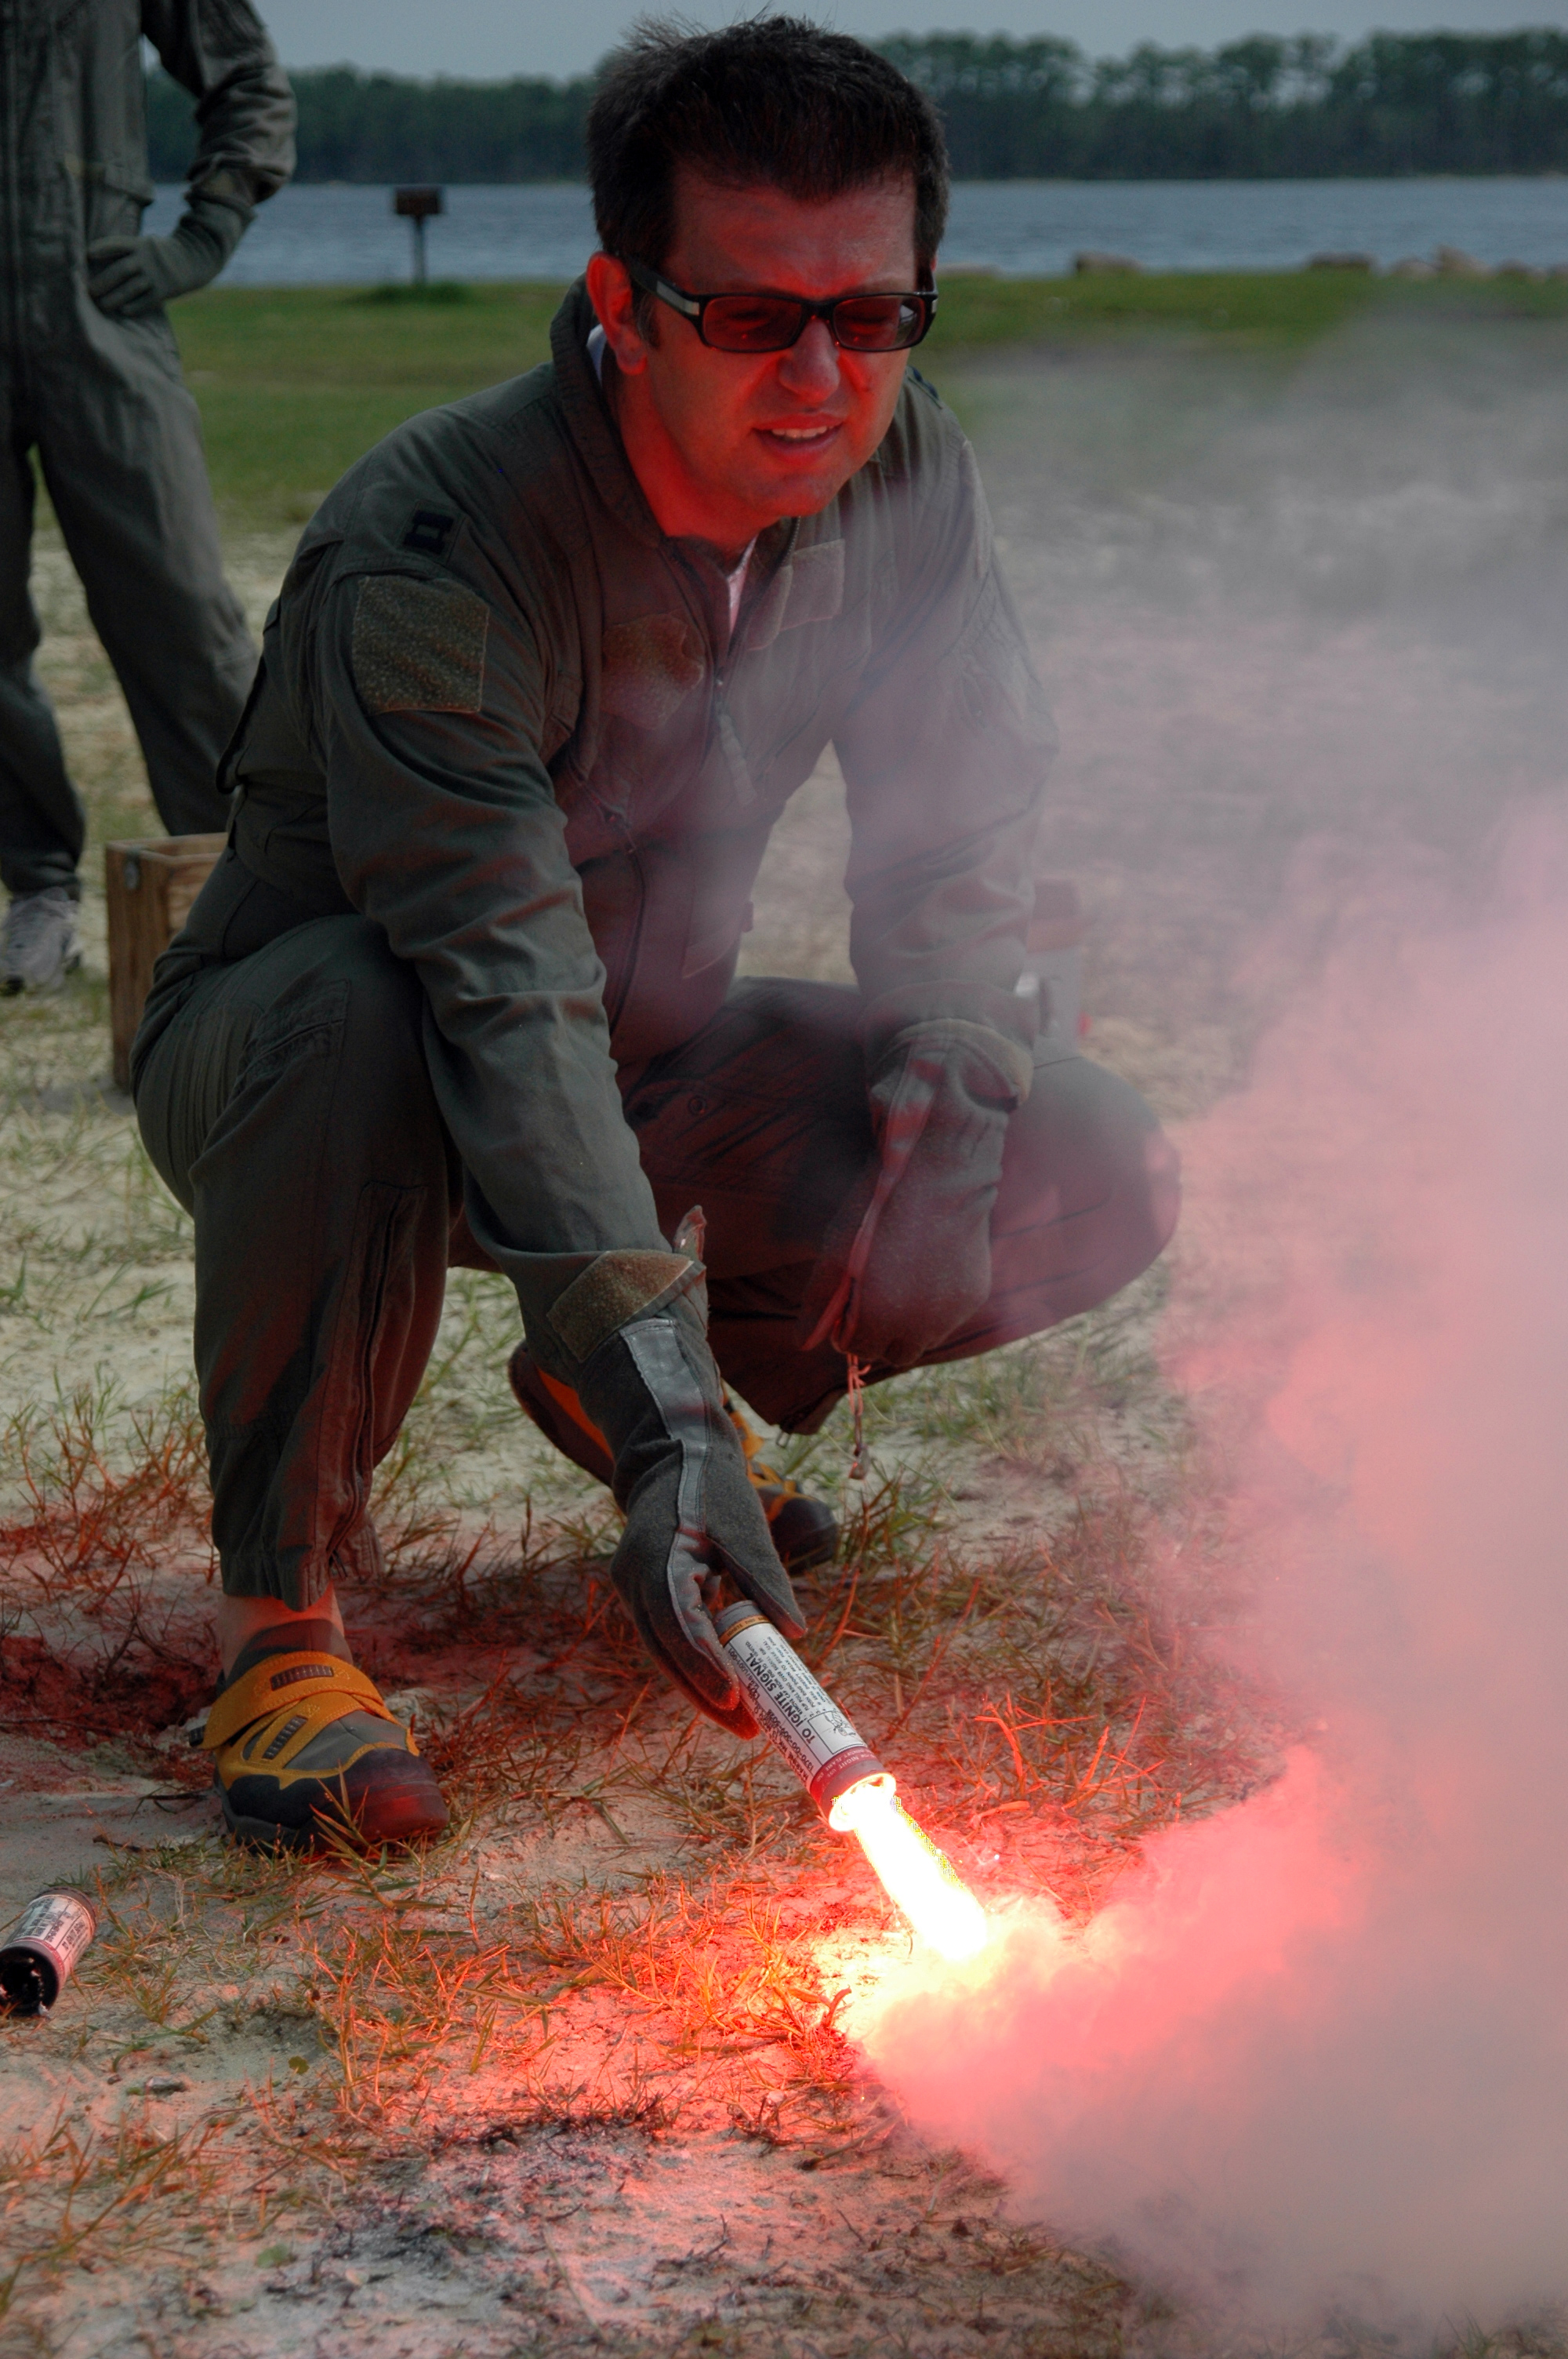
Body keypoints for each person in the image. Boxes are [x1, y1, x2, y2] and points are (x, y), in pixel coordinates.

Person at [132, 16, 1180, 1853]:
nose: (821, 375)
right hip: (345, 1059)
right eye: (754, 316)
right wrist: (655, 1360)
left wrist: (951, 1071)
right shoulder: (441, 548)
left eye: (871, 315)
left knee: (1086, 1154)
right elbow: (494, 975)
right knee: (358, 1010)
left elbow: (954, 813)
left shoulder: (901, 475)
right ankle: (280, 1622)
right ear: (622, 298)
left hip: (654, 1055)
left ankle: (622, 1394)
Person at [0, 2, 294, 996]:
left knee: (183, 615)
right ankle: (39, 893)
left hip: (100, 304)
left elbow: (247, 79)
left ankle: (258, 893)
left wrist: (200, 236)